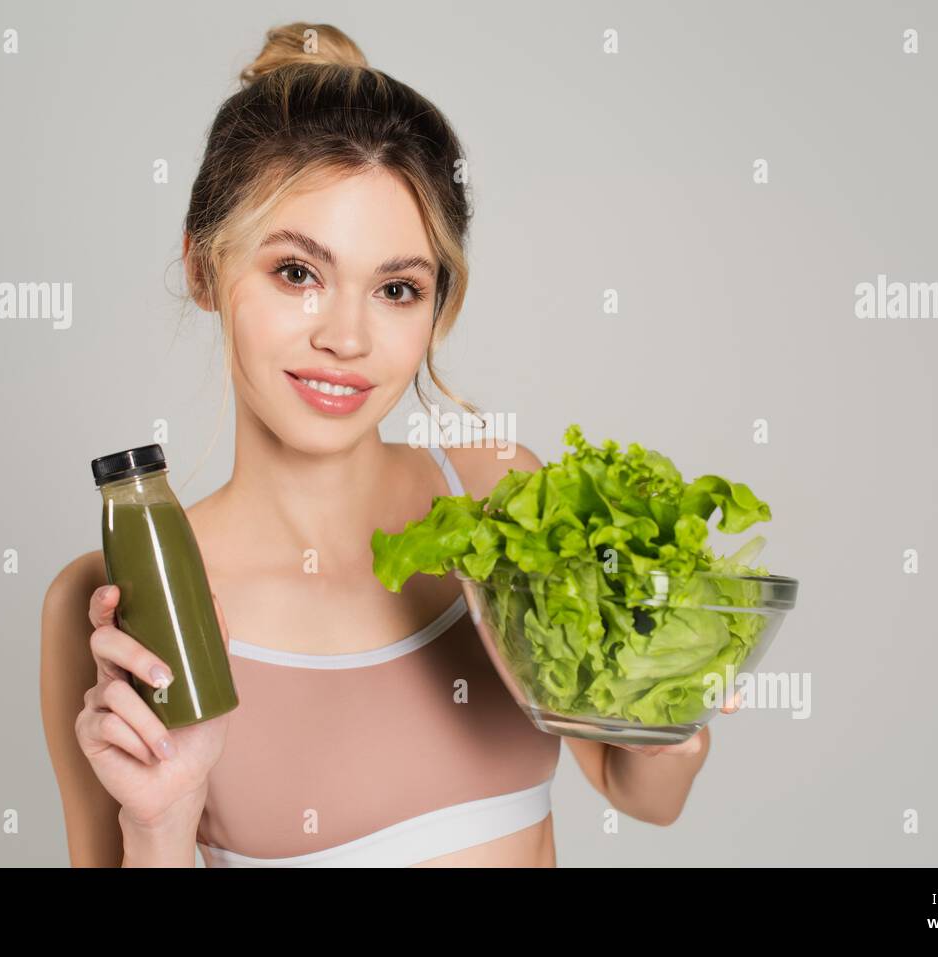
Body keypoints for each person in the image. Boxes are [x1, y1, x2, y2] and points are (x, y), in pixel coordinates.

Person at [40, 21, 736, 868]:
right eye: (297, 272)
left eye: (397, 288)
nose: (347, 337)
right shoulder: (123, 597)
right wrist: (161, 820)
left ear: (438, 303)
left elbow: (640, 792)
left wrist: (670, 717)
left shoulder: (497, 498)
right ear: (202, 268)